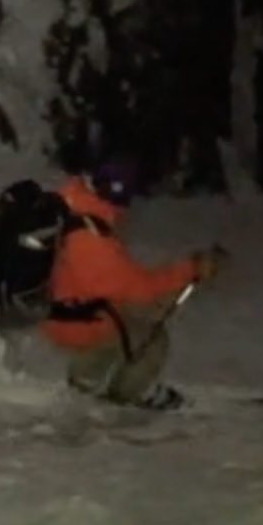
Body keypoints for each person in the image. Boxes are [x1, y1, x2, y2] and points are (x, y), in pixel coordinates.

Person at [41, 158, 226, 407]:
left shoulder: (70, 203)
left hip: (61, 303)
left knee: (130, 315)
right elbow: (139, 288)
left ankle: (94, 375)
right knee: (153, 339)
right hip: (71, 320)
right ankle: (115, 393)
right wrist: (191, 269)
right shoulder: (89, 236)